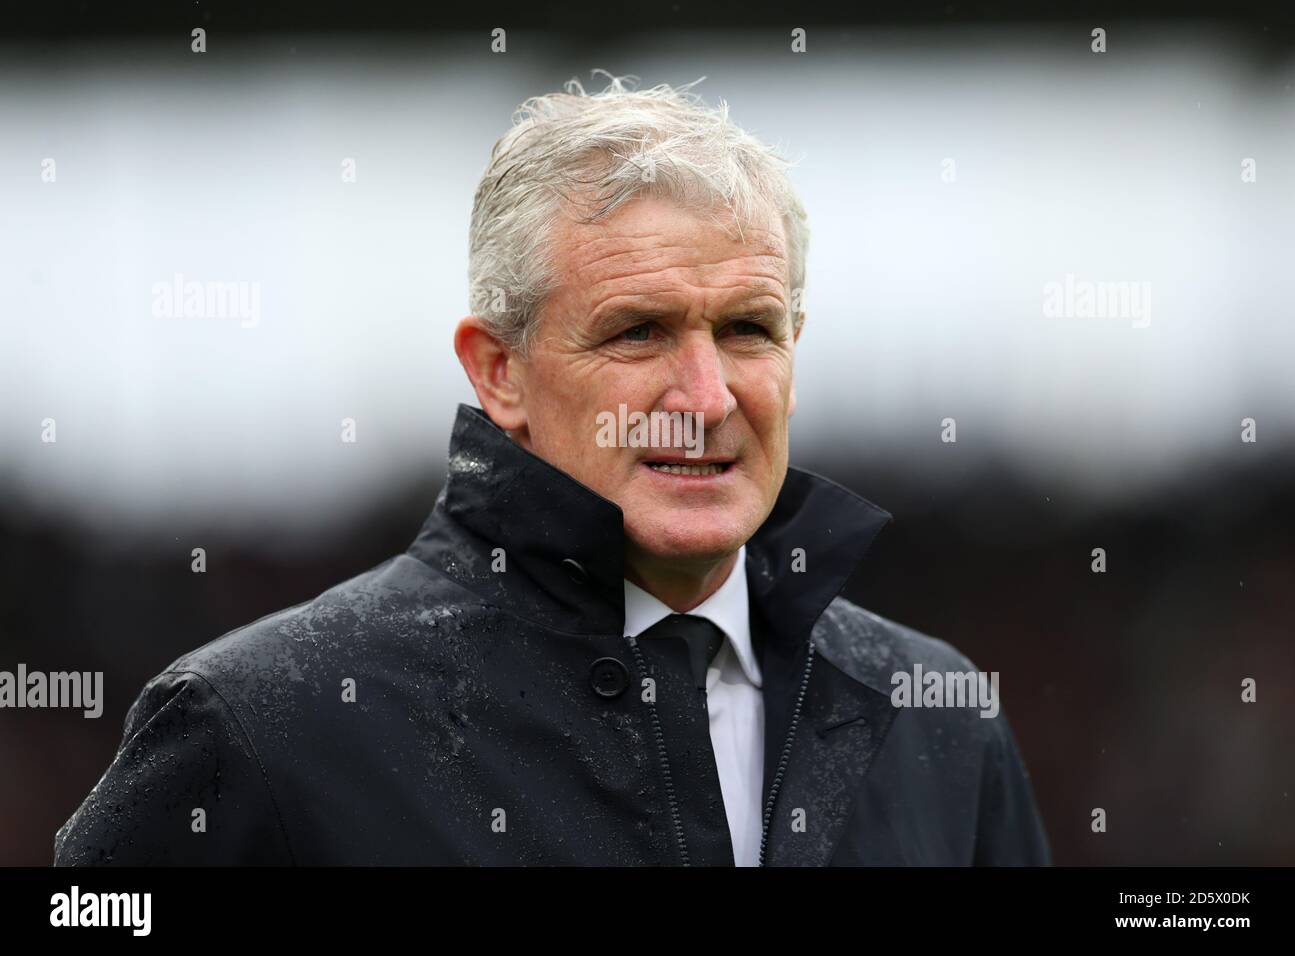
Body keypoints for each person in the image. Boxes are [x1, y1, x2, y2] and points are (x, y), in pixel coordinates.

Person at [54, 74, 1050, 866]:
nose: (705, 396)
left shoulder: (933, 710)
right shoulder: (260, 727)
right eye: (638, 331)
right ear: (500, 372)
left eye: (748, 329)